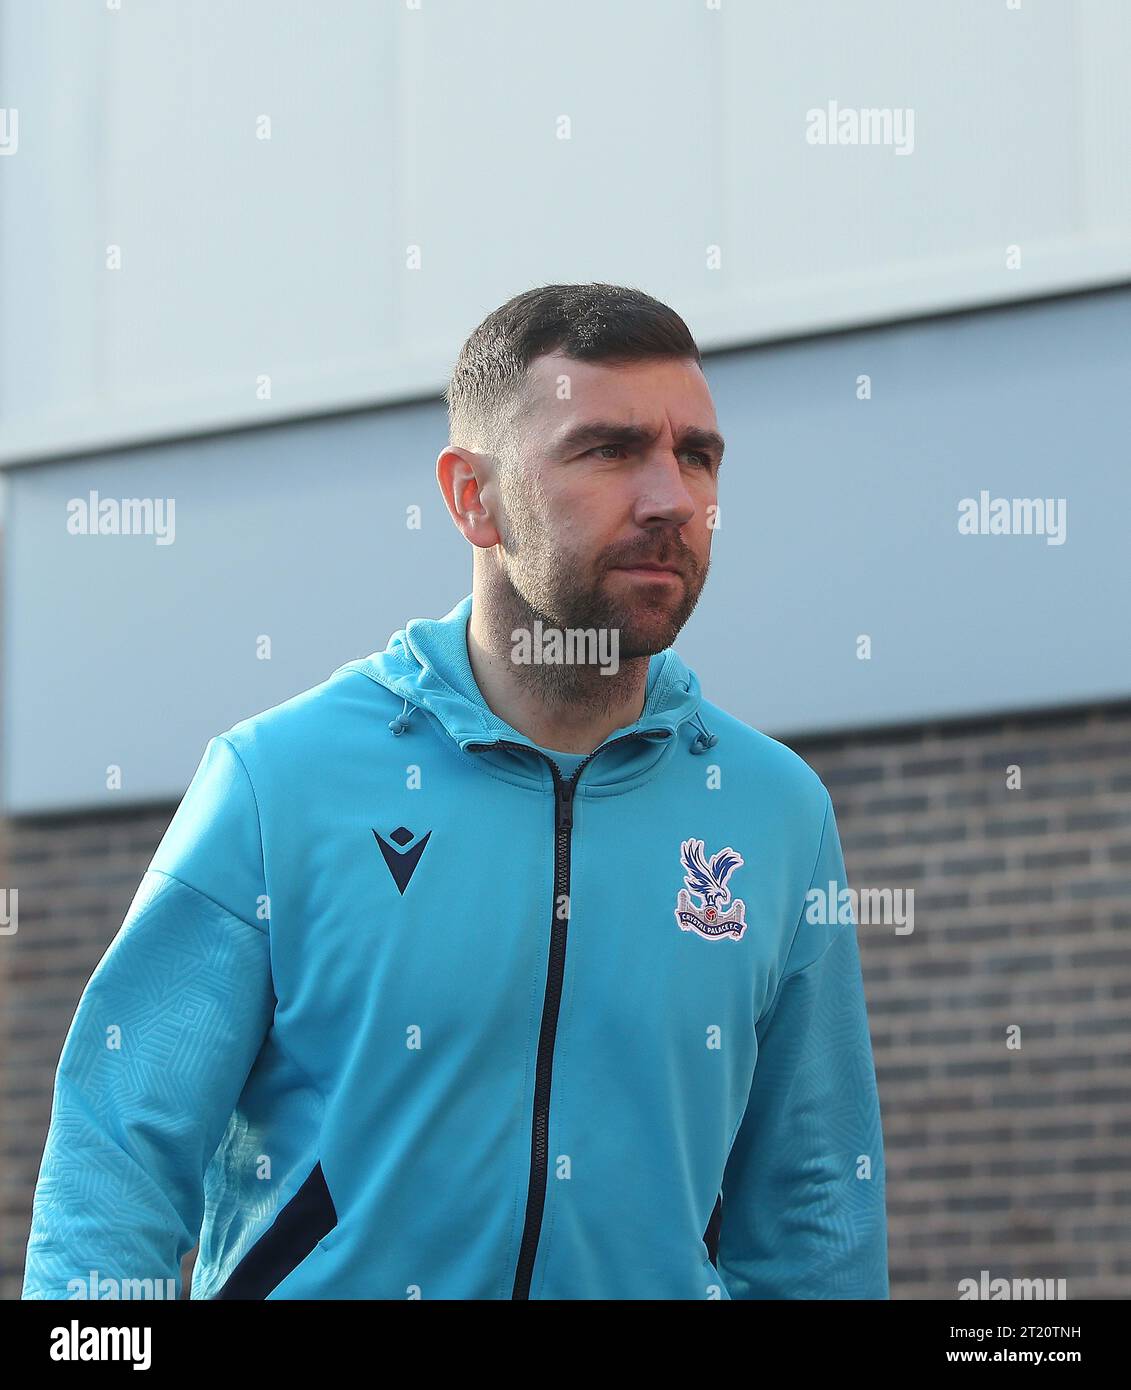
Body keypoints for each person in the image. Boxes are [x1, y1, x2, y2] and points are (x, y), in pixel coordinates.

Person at [22, 283, 888, 1300]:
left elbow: (814, 1210)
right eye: (609, 450)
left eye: (696, 456)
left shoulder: (772, 809)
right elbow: (115, 1163)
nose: (671, 500)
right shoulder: (280, 782)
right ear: (473, 497)